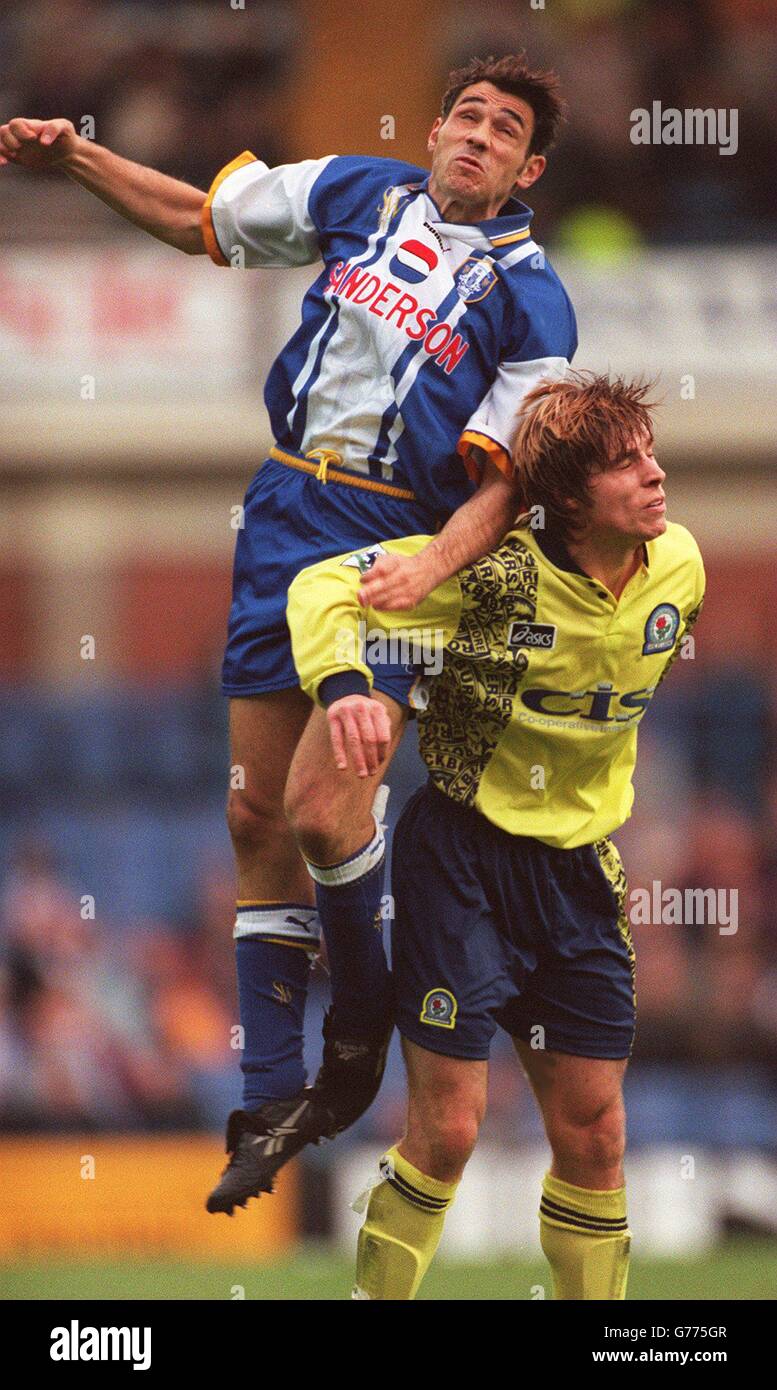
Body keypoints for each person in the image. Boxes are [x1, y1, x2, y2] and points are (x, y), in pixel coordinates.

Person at [0, 53, 578, 1213]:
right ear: (433, 128)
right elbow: (200, 219)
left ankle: (357, 1035)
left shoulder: (534, 297)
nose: (475, 134)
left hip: (394, 540)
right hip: (280, 509)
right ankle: (270, 1097)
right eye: (464, 113)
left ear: (530, 166)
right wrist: (78, 160)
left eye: (502, 128)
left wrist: (433, 564)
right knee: (254, 811)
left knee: (326, 810)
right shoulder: (359, 193)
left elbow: (511, 481)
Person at [287, 372, 705, 1299]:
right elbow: (323, 587)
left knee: (595, 1129)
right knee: (449, 1129)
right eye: (624, 463)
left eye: (650, 452)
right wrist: (346, 685)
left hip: (578, 875)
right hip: (462, 861)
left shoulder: (681, 566)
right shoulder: (489, 575)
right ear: (564, 497)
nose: (654, 475)